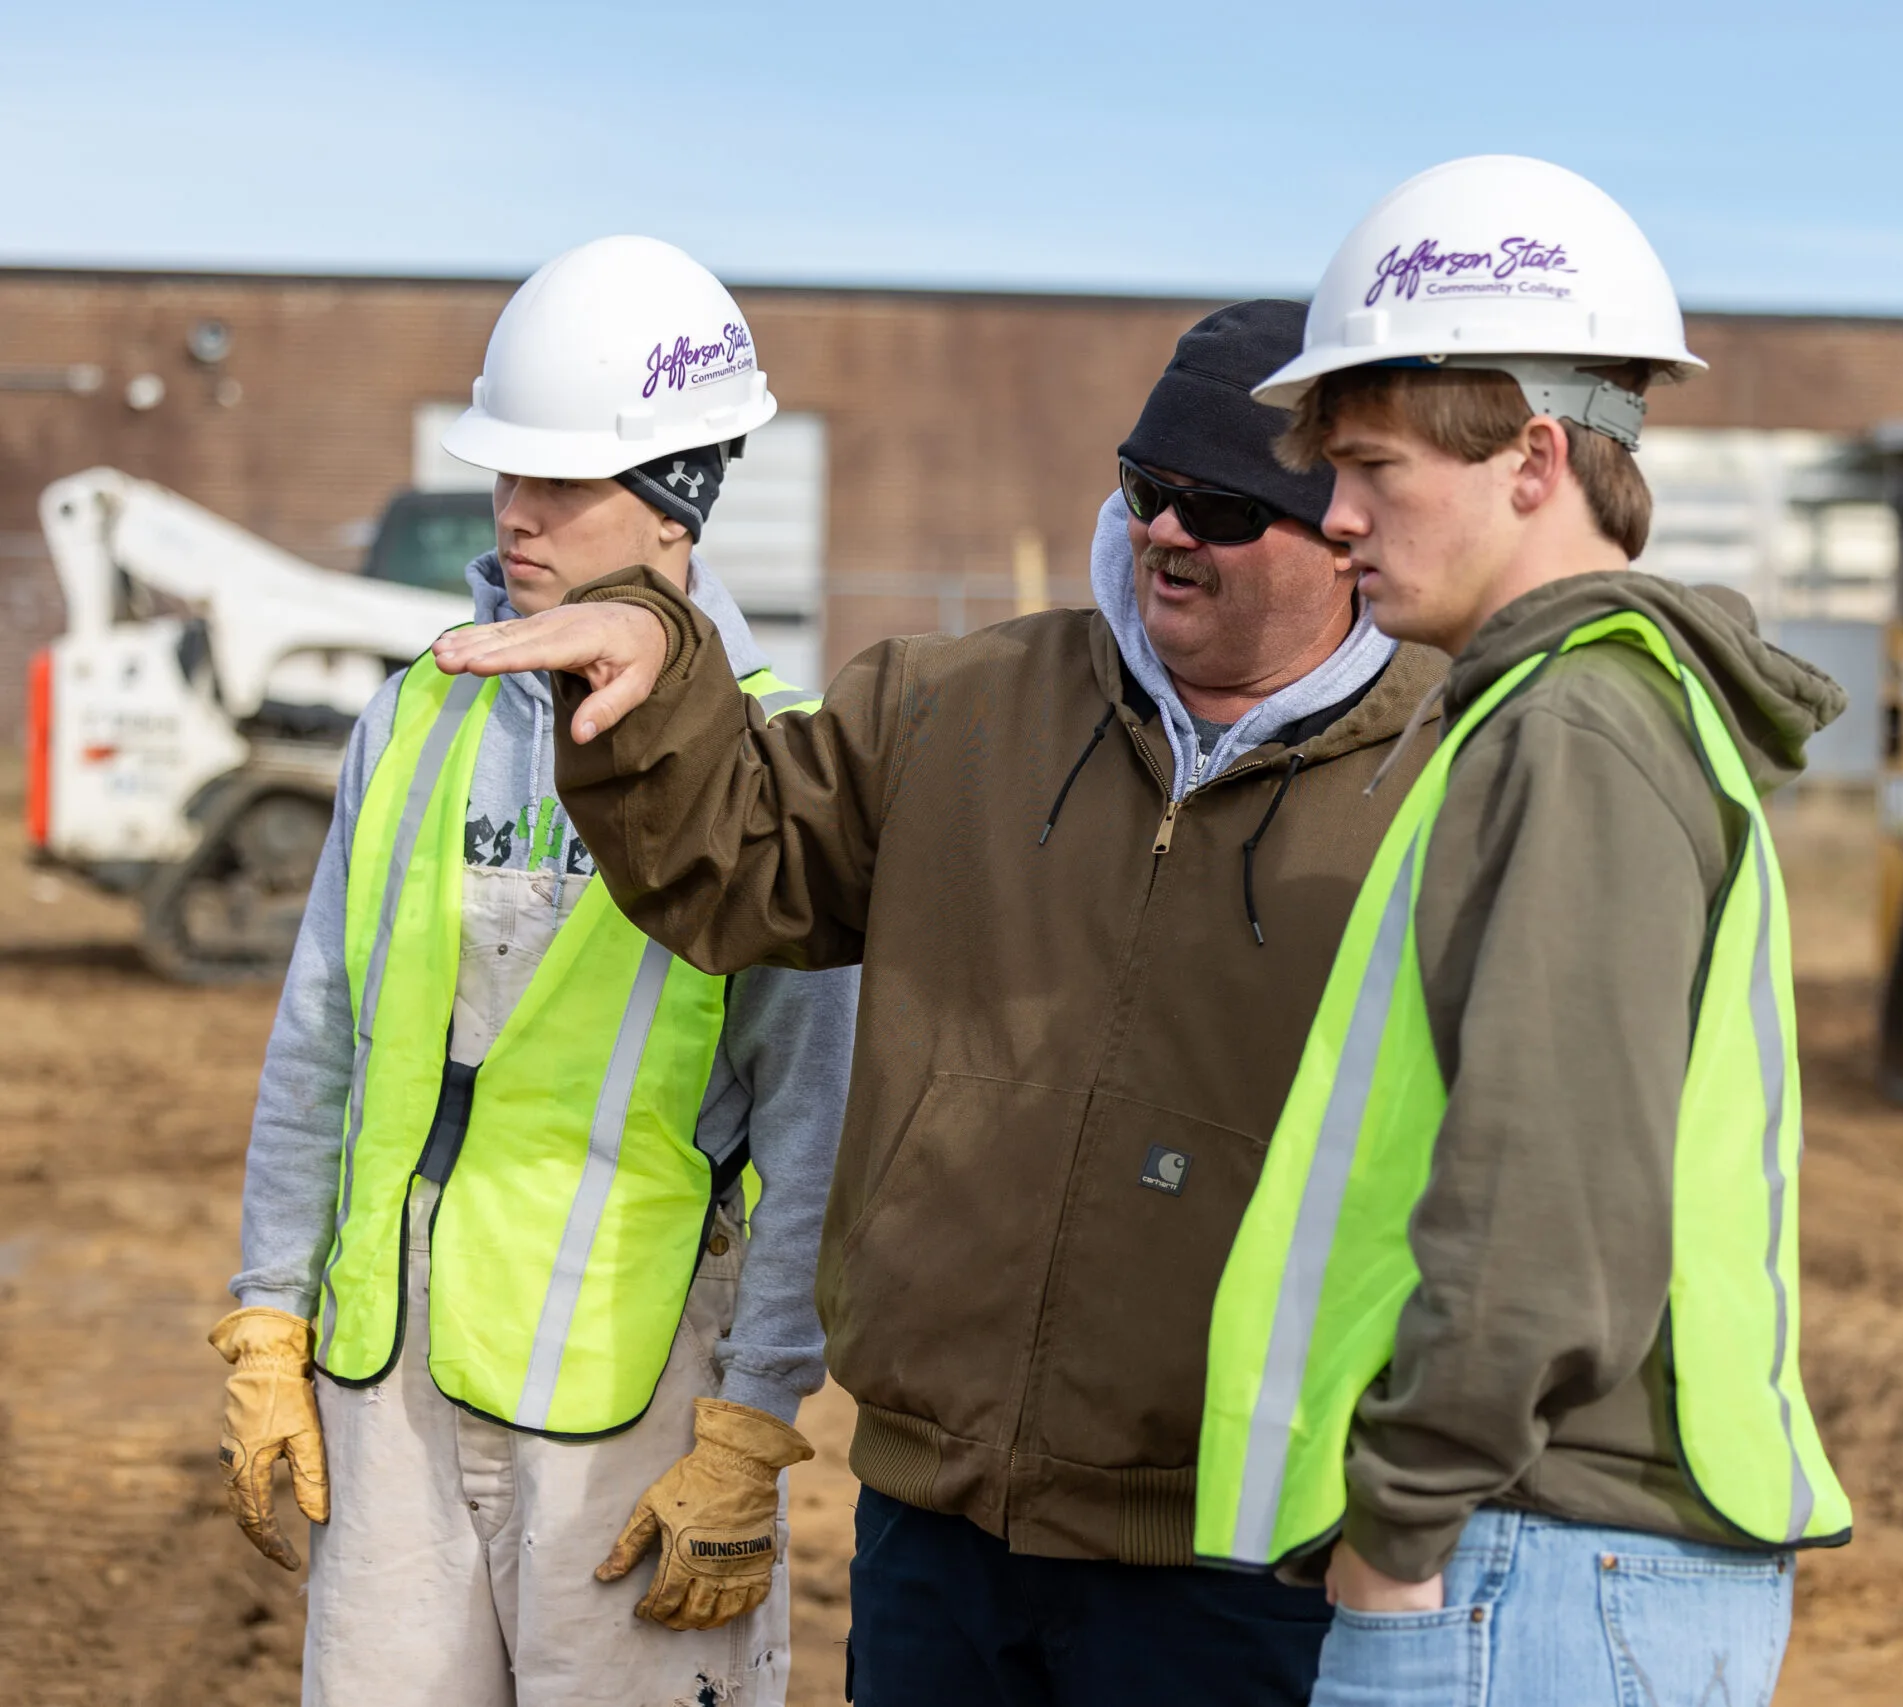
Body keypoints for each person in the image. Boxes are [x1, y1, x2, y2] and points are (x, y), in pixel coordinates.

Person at [430, 300, 1447, 1706]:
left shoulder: (1453, 778)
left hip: (1243, 1555)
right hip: (939, 1523)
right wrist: (658, 677)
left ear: (1345, 531)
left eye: (1218, 508)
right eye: (1146, 487)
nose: (1164, 532)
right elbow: (734, 874)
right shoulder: (955, 702)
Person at [1190, 155, 1855, 1707]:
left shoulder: (1578, 730)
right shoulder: (1570, 714)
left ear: (1535, 459)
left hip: (1523, 1564)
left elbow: (1549, 1188)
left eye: (1372, 467)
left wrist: (1405, 1517)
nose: (1334, 513)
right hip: (1543, 1556)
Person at [211, 236, 856, 1707]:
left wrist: (752, 1418)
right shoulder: (418, 715)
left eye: (561, 482)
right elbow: (321, 1029)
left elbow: (818, 1114)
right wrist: (269, 1308)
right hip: (387, 1375)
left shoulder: (779, 759)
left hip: (631, 1397)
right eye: (507, 472)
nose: (515, 513)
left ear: (680, 491)